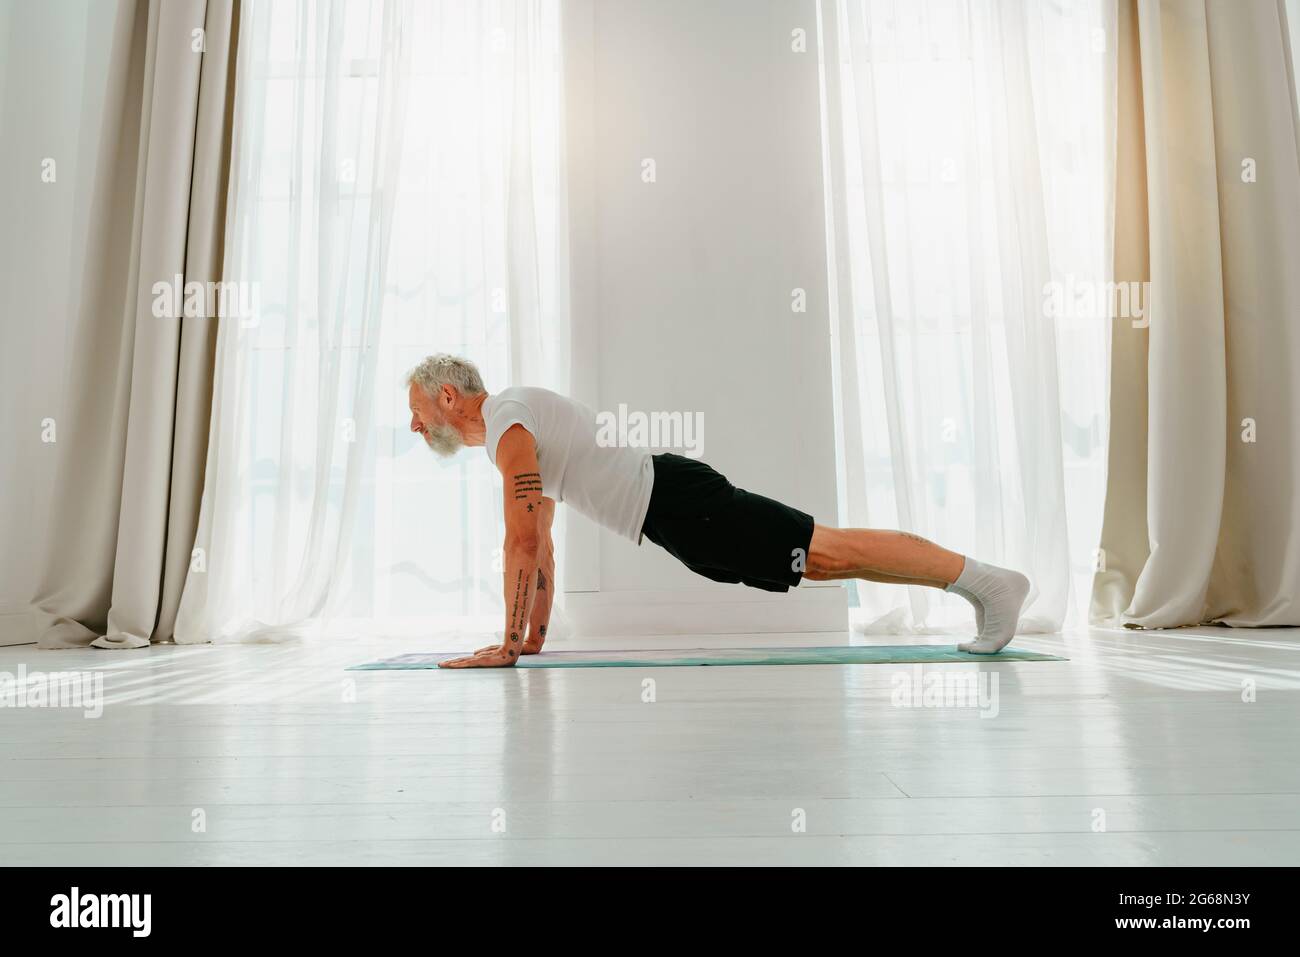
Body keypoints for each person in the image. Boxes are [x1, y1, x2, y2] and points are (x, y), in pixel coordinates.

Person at [405, 354, 1030, 669]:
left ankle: (989, 582)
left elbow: (518, 541)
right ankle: (980, 586)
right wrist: (531, 637)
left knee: (828, 550)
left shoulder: (507, 423)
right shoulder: (516, 423)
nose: (414, 425)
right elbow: (537, 538)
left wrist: (507, 646)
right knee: (820, 563)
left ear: (449, 395)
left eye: (418, 410)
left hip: (682, 504)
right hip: (677, 515)